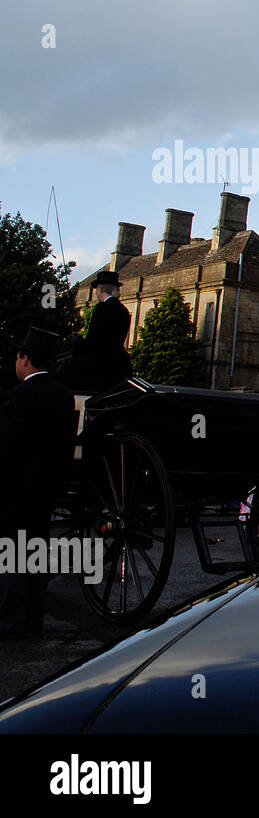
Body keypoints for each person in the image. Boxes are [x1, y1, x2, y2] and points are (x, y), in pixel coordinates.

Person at [0, 328, 76, 636]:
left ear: (26, 359)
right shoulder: (63, 395)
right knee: (32, 547)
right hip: (49, 484)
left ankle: (12, 619)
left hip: (16, 486)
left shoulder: (18, 397)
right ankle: (30, 617)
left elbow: (7, 447)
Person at [61, 270, 133, 393]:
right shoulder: (124, 310)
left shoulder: (102, 308)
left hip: (100, 366)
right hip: (120, 364)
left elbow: (95, 340)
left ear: (100, 290)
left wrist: (78, 342)